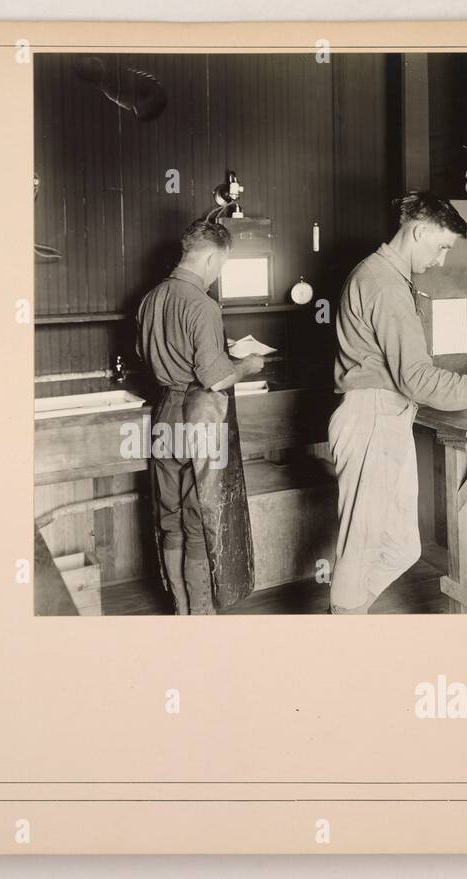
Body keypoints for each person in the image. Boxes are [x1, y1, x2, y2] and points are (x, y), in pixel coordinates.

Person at [329, 191, 467, 614]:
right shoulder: (384, 284)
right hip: (371, 418)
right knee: (361, 550)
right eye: (442, 246)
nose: (442, 260)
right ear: (420, 231)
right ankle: (344, 634)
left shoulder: (379, 275)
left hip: (384, 416)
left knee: (403, 546)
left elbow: (410, 377)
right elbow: (418, 378)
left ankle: (345, 616)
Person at [135, 219, 264, 614]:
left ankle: (180, 608)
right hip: (196, 417)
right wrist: (248, 365)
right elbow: (217, 378)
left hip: (163, 416)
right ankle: (201, 614)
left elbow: (146, 355)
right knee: (196, 522)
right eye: (219, 266)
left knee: (169, 518)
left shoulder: (151, 298)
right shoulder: (202, 304)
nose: (216, 274)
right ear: (210, 256)